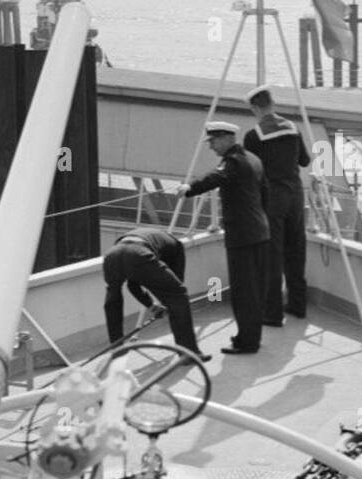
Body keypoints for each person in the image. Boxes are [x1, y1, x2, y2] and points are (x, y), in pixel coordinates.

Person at [178, 121, 269, 355]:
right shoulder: (253, 159)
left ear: (227, 138)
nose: (211, 147)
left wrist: (188, 189)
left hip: (242, 236)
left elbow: (213, 179)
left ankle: (248, 342)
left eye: (213, 141)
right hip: (259, 231)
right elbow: (265, 194)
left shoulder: (233, 162)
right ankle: (249, 336)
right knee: (254, 288)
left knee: (243, 291)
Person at [243, 84, 310, 326]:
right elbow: (304, 160)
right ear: (272, 104)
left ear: (254, 108)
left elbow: (249, 172)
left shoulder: (254, 136)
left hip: (272, 199)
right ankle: (298, 305)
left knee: (273, 255)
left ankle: (272, 313)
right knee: (296, 250)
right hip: (295, 195)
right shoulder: (293, 129)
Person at [102, 225, 209, 359]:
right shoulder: (176, 246)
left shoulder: (156, 238)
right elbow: (176, 286)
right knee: (179, 296)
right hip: (139, 252)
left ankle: (117, 349)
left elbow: (132, 283)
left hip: (113, 254)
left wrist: (152, 306)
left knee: (113, 300)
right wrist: (168, 305)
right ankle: (188, 352)